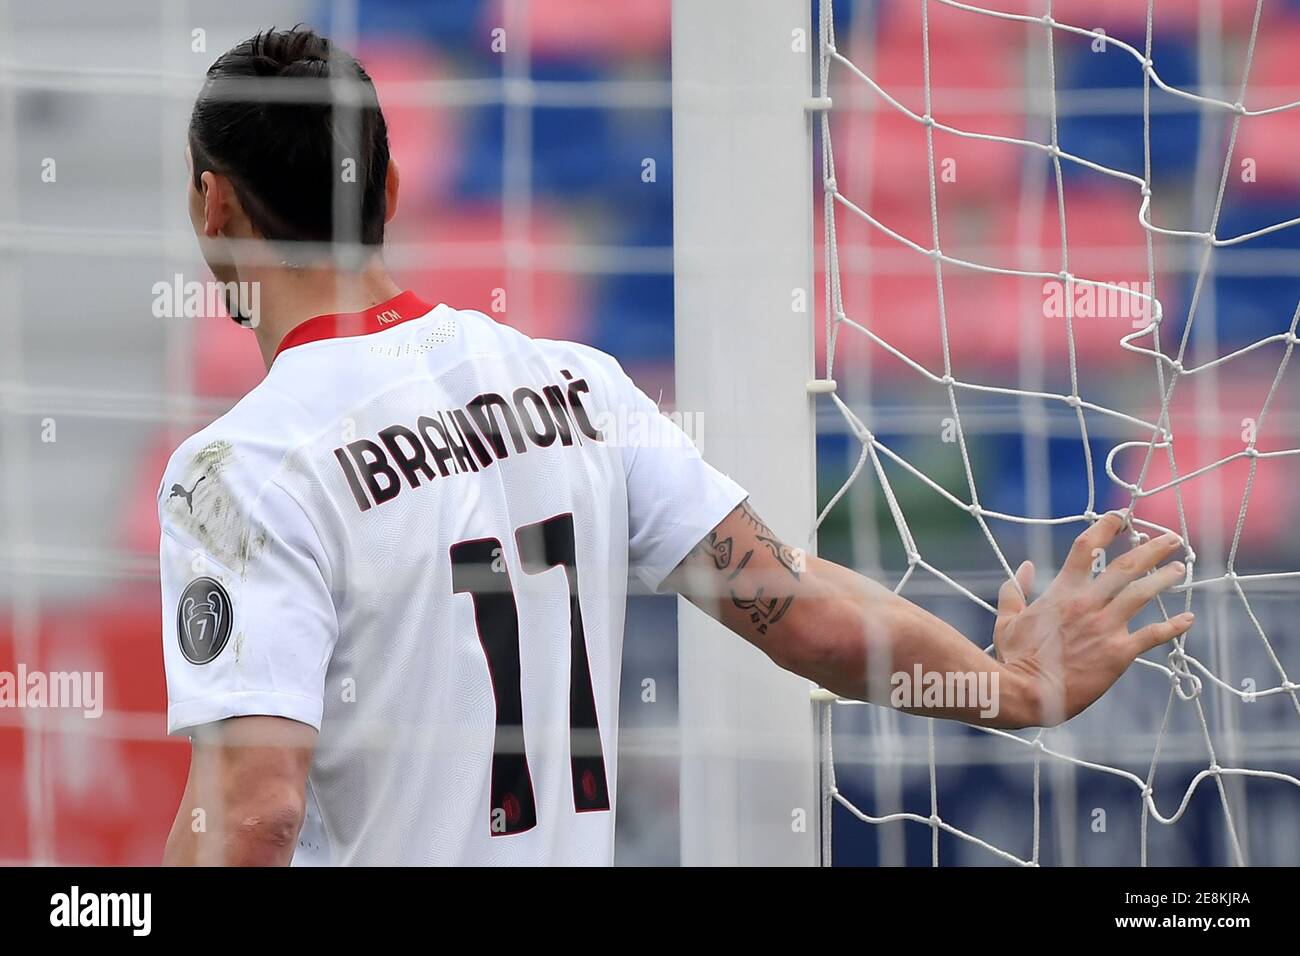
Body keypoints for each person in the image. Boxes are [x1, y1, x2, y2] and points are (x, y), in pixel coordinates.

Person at [160, 28, 1192, 866]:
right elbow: (799, 607)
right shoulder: (575, 384)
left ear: (213, 206)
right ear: (388, 192)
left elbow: (254, 815)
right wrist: (1005, 683)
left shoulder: (241, 469)